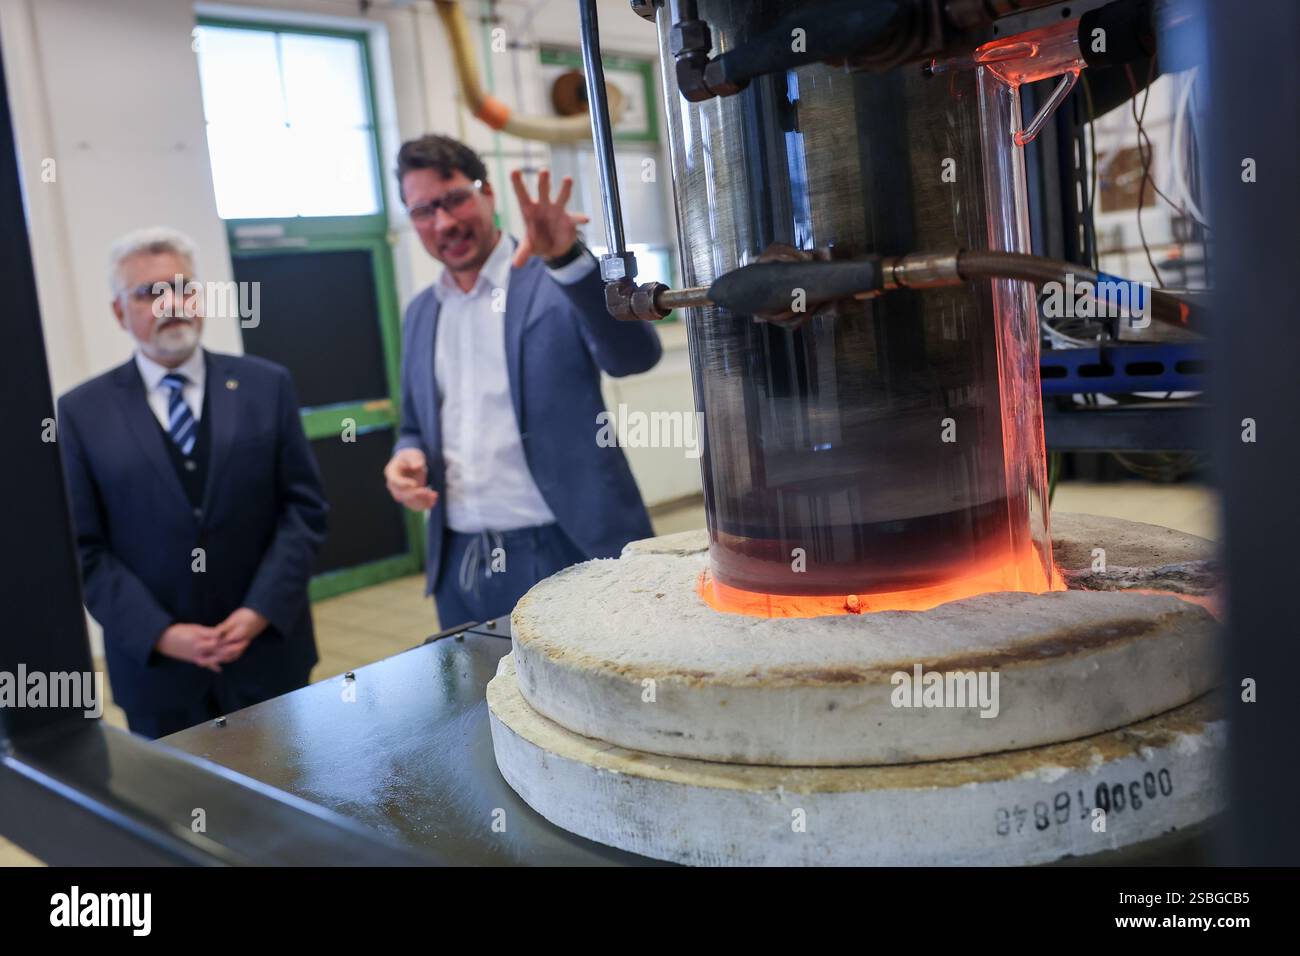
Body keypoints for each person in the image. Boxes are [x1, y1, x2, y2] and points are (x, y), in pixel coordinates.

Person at [58, 227, 327, 738]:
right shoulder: (81, 413)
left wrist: (259, 610)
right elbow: (82, 549)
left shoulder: (265, 386)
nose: (170, 304)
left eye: (181, 288)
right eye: (148, 293)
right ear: (119, 312)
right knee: (174, 812)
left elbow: (304, 510)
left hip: (270, 655)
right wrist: (162, 634)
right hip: (158, 674)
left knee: (291, 803)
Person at [383, 135, 662, 628]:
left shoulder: (553, 279)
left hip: (565, 545)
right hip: (460, 561)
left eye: (454, 199)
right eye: (424, 211)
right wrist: (406, 456)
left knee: (586, 699)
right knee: (473, 701)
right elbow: (413, 424)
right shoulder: (421, 313)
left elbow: (634, 356)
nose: (444, 222)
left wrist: (569, 262)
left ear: (487, 193)